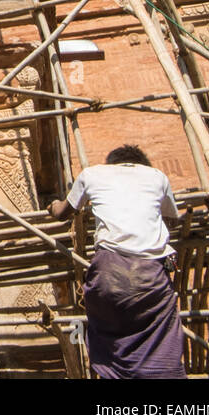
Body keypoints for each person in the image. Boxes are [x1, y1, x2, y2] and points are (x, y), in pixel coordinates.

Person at [49, 144, 186, 379]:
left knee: (109, 336)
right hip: (149, 276)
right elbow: (172, 219)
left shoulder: (92, 174)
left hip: (108, 274)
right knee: (161, 337)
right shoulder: (157, 177)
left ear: (111, 162)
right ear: (142, 164)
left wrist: (52, 206)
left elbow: (63, 213)